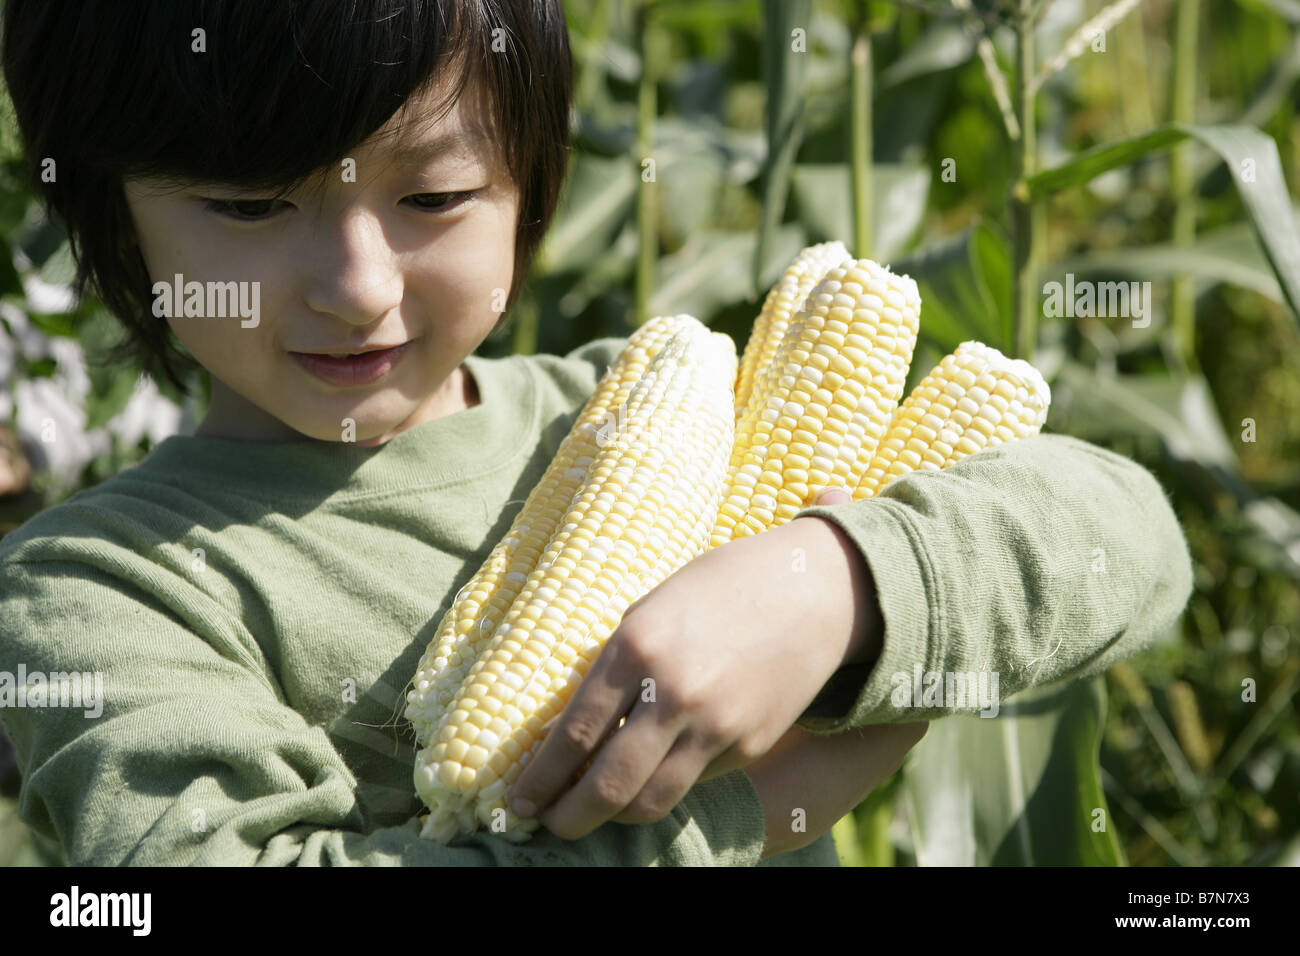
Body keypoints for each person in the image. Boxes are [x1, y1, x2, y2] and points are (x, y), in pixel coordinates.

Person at [0, 0, 1192, 866]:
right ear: (109, 213)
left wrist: (831, 585)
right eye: (252, 205)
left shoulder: (632, 409)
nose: (357, 286)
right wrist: (751, 797)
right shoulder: (98, 592)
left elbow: (1131, 540)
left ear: (532, 180)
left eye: (432, 198)